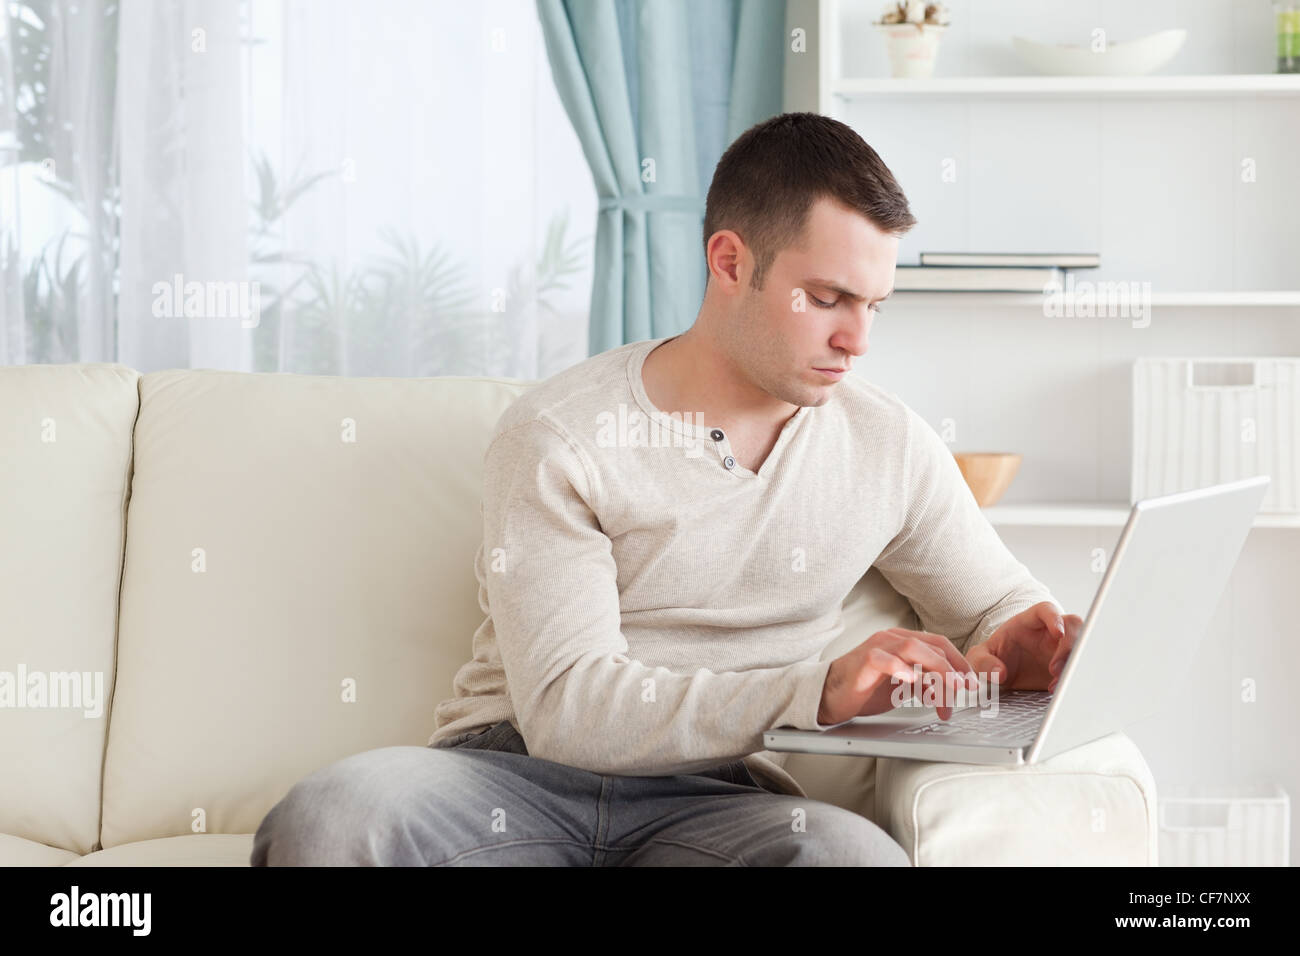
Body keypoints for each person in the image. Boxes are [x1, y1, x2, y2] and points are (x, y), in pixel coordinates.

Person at [251, 111, 1081, 867]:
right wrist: (815, 691)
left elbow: (997, 604)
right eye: (826, 298)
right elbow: (570, 708)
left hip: (720, 801)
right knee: (333, 816)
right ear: (730, 262)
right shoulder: (560, 432)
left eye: (874, 305)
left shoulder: (887, 443)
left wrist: (1020, 645)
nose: (855, 338)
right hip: (510, 781)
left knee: (849, 859)